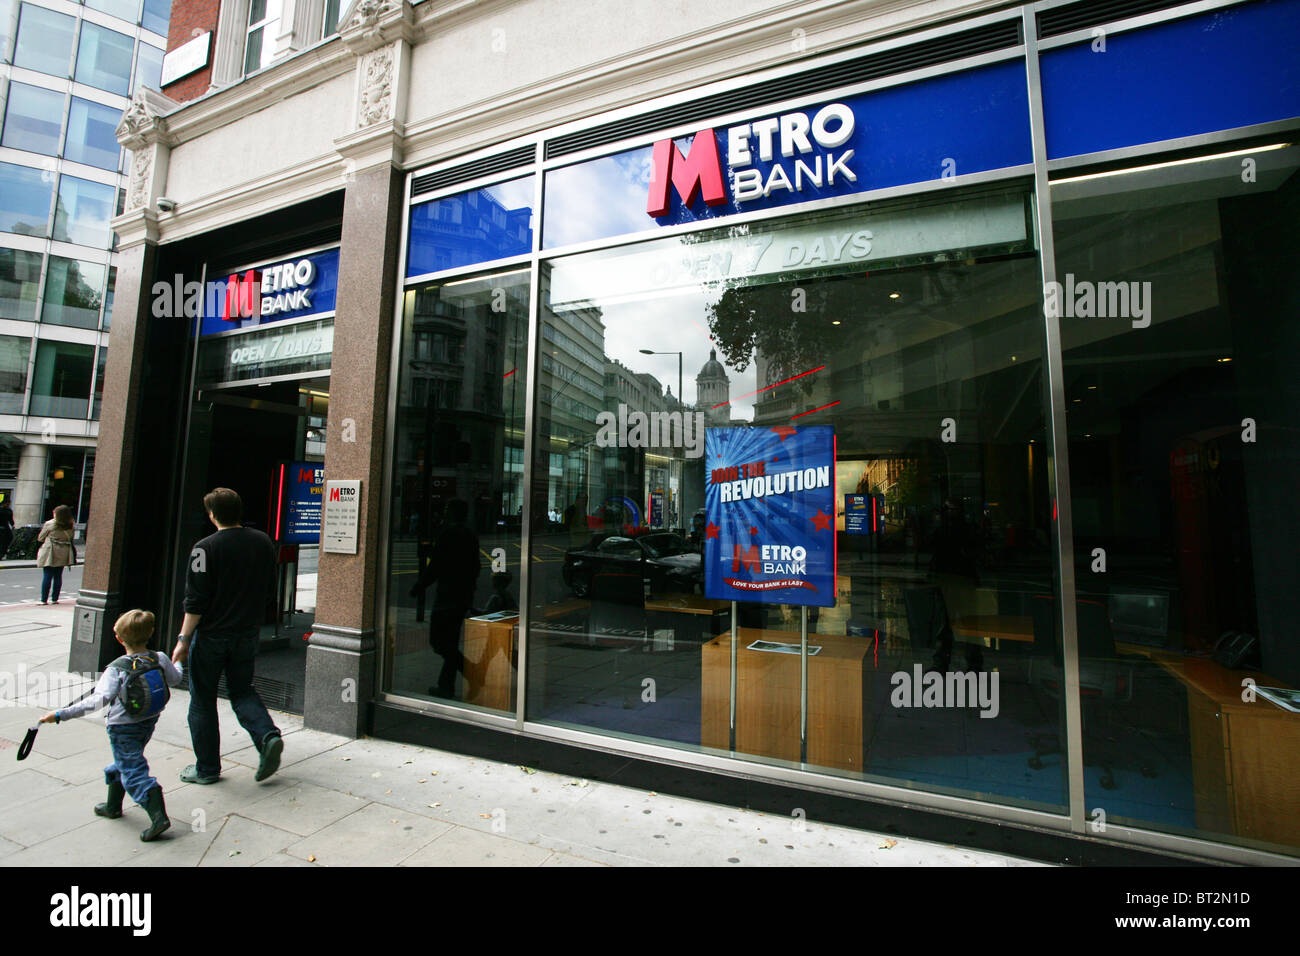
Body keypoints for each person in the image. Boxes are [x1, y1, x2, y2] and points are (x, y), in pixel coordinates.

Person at [39, 609, 183, 842]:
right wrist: (178, 662)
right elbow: (175, 679)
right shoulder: (159, 658)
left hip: (122, 727)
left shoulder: (116, 668)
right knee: (124, 762)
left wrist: (60, 714)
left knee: (132, 770)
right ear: (151, 632)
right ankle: (113, 806)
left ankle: (158, 816)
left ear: (119, 639)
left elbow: (97, 701)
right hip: (148, 721)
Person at [172, 488, 283, 785]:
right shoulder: (263, 542)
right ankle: (267, 736)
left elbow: (195, 602)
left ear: (212, 515)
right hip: (247, 633)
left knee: (202, 699)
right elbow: (271, 589)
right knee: (242, 690)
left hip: (211, 636)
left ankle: (207, 768)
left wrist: (183, 640)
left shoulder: (204, 548)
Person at [409, 498, 481, 699]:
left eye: (448, 509)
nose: (445, 513)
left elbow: (436, 566)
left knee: (440, 643)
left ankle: (471, 673)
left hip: (448, 597)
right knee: (449, 642)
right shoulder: (470, 535)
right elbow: (475, 567)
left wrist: (419, 586)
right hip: (462, 597)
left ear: (453, 513)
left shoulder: (448, 534)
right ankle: (446, 686)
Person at [37, 504, 76, 604]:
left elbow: (40, 537)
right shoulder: (71, 524)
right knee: (58, 575)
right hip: (64, 551)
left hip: (51, 551)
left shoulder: (50, 524)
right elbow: (71, 537)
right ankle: (55, 599)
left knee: (47, 574)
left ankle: (43, 600)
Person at [0, 495, 13, 559]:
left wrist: (13, 525)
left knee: (8, 539)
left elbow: (10, 519)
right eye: (7, 503)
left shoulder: (8, 510)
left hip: (5, 527)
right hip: (3, 526)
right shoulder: (6, 510)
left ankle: (2, 553)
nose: (8, 505)